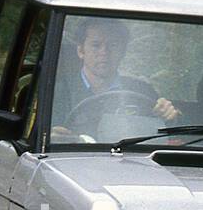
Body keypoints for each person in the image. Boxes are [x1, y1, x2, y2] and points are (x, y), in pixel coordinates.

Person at [51, 18, 179, 141]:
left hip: (130, 160)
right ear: (81, 51)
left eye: (113, 45)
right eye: (96, 45)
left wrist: (169, 116)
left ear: (123, 51)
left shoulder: (142, 91)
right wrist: (51, 136)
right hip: (72, 160)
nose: (104, 52)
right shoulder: (57, 92)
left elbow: (169, 133)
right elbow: (39, 138)